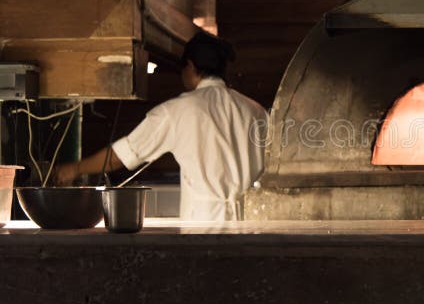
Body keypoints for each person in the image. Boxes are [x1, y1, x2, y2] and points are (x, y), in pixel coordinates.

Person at [56, 32, 268, 221]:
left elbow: (118, 157)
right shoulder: (256, 111)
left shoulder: (177, 111)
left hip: (204, 228)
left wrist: (73, 169)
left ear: (191, 66)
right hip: (252, 224)